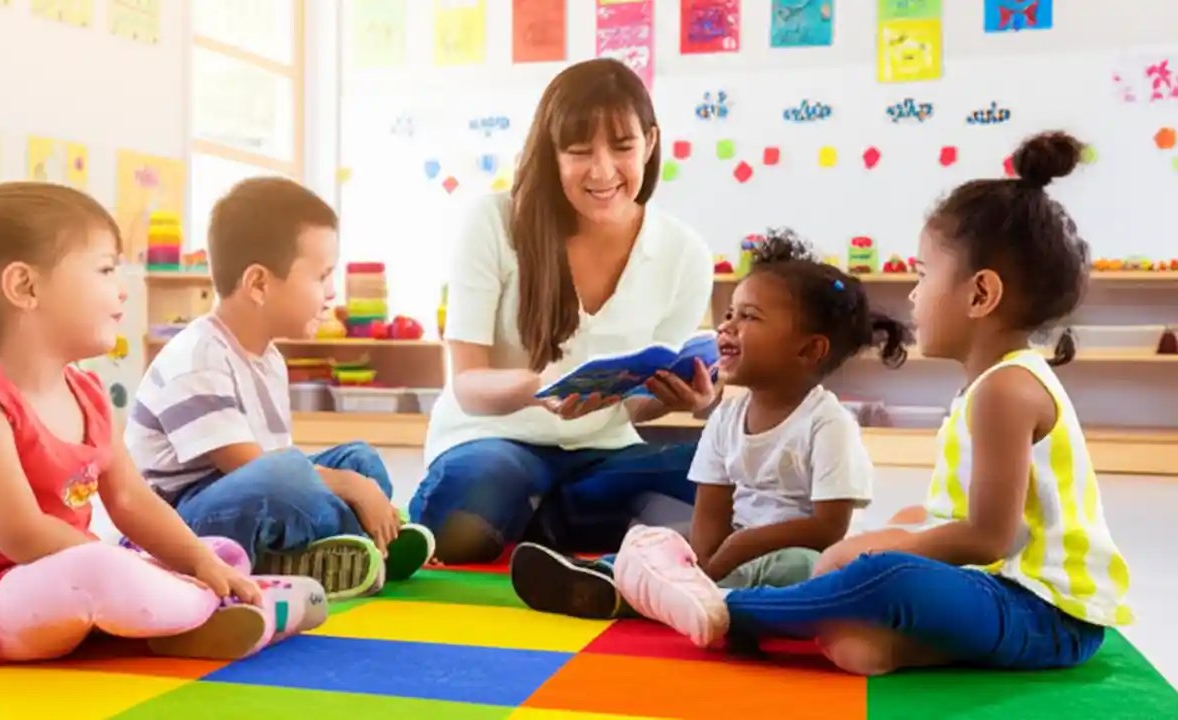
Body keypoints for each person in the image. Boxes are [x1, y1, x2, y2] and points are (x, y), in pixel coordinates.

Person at [613, 131, 1133, 675]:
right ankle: (895, 642)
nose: (912, 295)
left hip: (1046, 614)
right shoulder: (994, 385)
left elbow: (987, 537)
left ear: (980, 294)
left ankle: (726, 610)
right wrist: (902, 533)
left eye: (923, 275)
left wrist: (880, 551)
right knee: (881, 585)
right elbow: (962, 520)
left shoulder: (1005, 391)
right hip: (1009, 596)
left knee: (884, 575)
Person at [0, 183, 326, 666]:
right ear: (25, 287)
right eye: (106, 269)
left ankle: (197, 605)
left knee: (209, 550)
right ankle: (208, 609)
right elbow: (21, 535)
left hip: (63, 587)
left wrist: (196, 561)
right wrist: (142, 567)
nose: (123, 288)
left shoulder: (86, 394)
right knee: (100, 567)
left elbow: (131, 499)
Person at [511, 231, 910, 625]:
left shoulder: (828, 424)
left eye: (750, 317)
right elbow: (709, 512)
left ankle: (655, 594)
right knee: (664, 540)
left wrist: (738, 548)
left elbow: (828, 527)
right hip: (731, 548)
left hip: (801, 555)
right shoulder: (726, 418)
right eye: (730, 314)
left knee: (797, 568)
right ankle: (605, 573)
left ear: (808, 350)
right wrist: (703, 557)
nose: (727, 327)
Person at [409, 58, 718, 565]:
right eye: (579, 151)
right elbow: (468, 385)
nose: (602, 171)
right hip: (492, 440)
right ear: (551, 154)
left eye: (622, 147)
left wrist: (678, 397)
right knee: (466, 521)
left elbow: (635, 406)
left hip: (603, 452)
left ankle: (545, 524)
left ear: (651, 143)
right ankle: (566, 529)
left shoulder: (685, 252)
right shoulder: (493, 222)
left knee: (713, 477)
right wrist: (541, 387)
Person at [126, 177, 433, 600]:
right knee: (293, 475)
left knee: (358, 458)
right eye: (322, 276)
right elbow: (251, 466)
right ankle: (346, 542)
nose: (331, 293)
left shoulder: (268, 359)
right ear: (258, 284)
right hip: (176, 529)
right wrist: (354, 490)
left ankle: (345, 545)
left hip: (243, 493)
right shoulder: (195, 356)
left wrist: (353, 480)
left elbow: (278, 465)